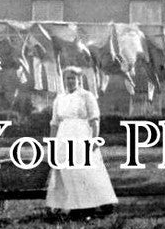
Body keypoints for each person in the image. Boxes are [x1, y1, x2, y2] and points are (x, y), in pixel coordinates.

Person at [45, 66, 117, 218]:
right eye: (67, 78)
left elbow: (94, 119)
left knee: (84, 170)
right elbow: (54, 123)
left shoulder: (86, 96)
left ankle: (90, 206)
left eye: (73, 78)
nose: (70, 81)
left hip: (82, 135)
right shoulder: (59, 98)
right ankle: (71, 205)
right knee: (66, 171)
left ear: (79, 79)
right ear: (63, 80)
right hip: (63, 137)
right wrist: (52, 144)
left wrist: (95, 139)